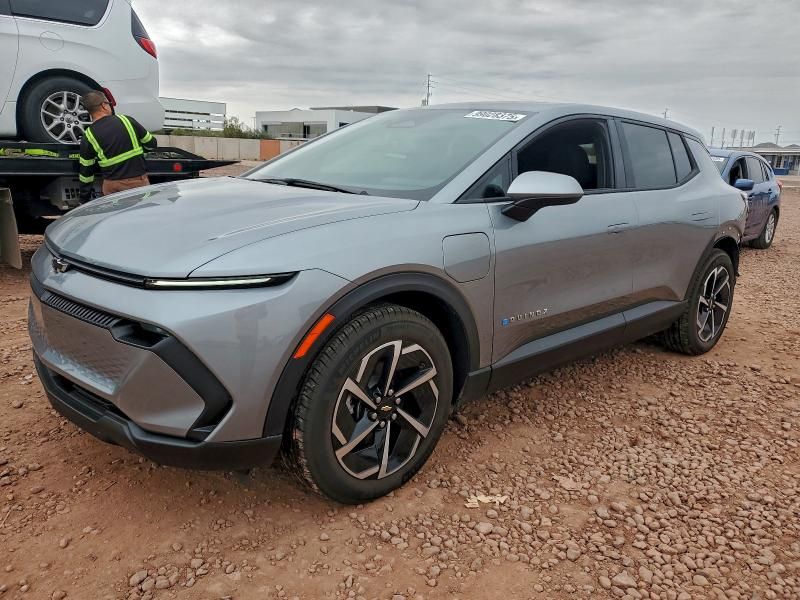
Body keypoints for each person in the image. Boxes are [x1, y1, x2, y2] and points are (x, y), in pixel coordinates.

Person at [78, 90, 157, 202]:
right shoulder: (126, 120)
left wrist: (83, 199)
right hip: (138, 183)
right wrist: (140, 150)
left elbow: (86, 173)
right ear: (103, 105)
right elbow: (152, 144)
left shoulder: (88, 135)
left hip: (112, 187)